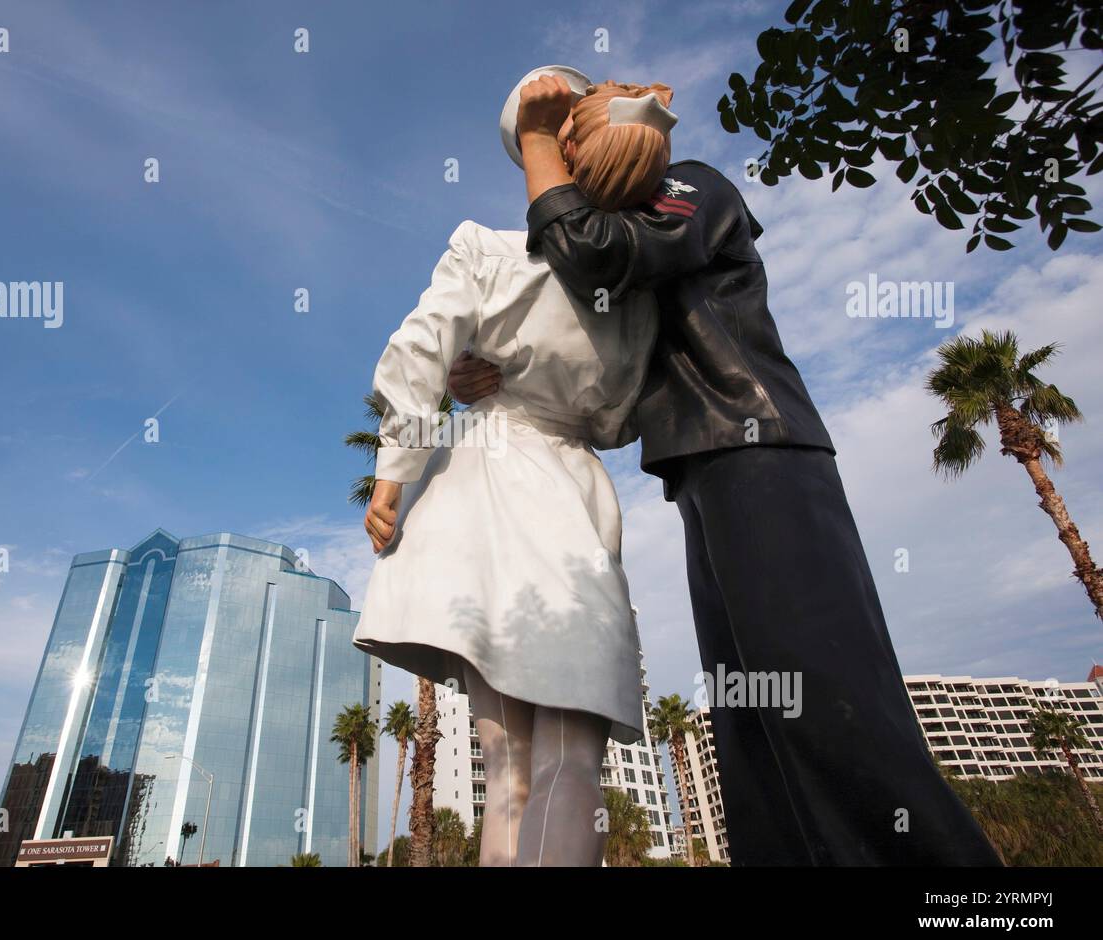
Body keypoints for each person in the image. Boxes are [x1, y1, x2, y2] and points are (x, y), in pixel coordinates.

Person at [448, 70, 1002, 866]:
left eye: (572, 124)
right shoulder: (627, 263)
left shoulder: (689, 188)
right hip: (703, 476)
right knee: (754, 735)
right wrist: (489, 375)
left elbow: (594, 254)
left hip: (762, 451)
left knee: (826, 699)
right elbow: (594, 395)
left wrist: (538, 141)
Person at [353, 78, 679, 867]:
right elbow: (615, 421)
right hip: (566, 490)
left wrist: (396, 471)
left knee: (507, 771)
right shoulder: (644, 287)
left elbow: (420, 352)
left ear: (554, 152)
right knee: (571, 760)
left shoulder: (486, 250)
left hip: (477, 491)